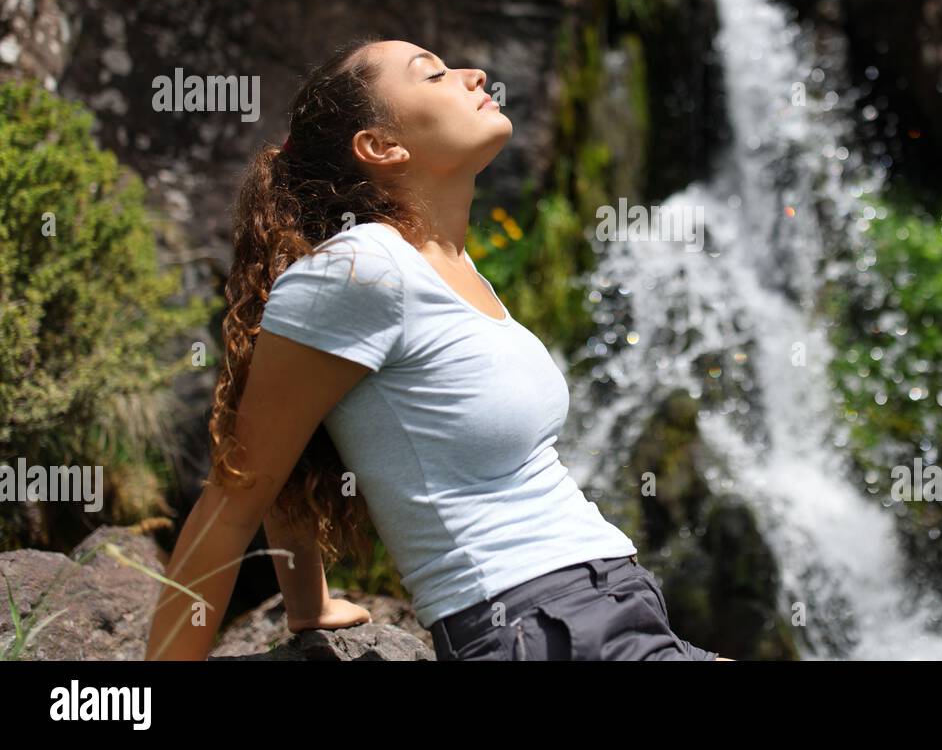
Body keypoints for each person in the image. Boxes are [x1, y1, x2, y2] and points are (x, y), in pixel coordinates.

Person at [144, 36, 732, 661]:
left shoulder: (453, 269)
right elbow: (239, 490)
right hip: (538, 625)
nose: (476, 74)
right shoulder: (361, 268)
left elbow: (290, 460)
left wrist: (308, 606)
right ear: (381, 146)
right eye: (434, 75)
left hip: (616, 602)